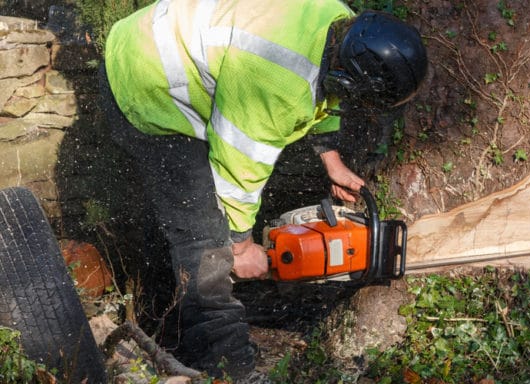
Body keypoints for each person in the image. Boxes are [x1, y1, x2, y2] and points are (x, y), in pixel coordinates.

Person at [101, 0, 427, 379]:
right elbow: (236, 172)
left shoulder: (341, 25)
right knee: (205, 238)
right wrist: (240, 246)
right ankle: (229, 365)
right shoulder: (275, 78)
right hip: (145, 77)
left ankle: (166, 325)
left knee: (181, 218)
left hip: (164, 44)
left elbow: (325, 90)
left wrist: (330, 158)